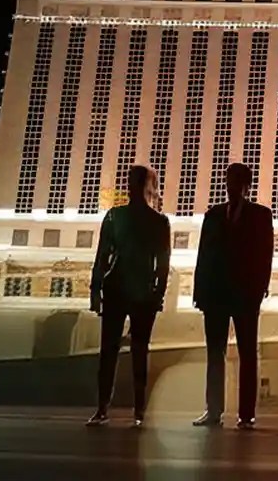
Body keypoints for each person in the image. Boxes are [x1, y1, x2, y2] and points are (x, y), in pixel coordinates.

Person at [192, 163, 275, 430]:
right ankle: (213, 410)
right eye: (228, 180)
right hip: (215, 295)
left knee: (247, 353)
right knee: (214, 354)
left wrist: (259, 290)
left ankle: (246, 414)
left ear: (246, 185)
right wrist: (199, 291)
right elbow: (203, 256)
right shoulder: (213, 215)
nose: (231, 186)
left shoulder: (261, 216)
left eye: (237, 181)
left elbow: (265, 256)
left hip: (245, 296)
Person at [87, 165, 171, 428]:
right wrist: (158, 292)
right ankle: (132, 410)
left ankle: (115, 409)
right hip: (134, 290)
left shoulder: (118, 217)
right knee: (134, 350)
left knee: (115, 350)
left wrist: (96, 289)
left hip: (127, 290)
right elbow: (161, 264)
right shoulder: (153, 220)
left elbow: (103, 256)